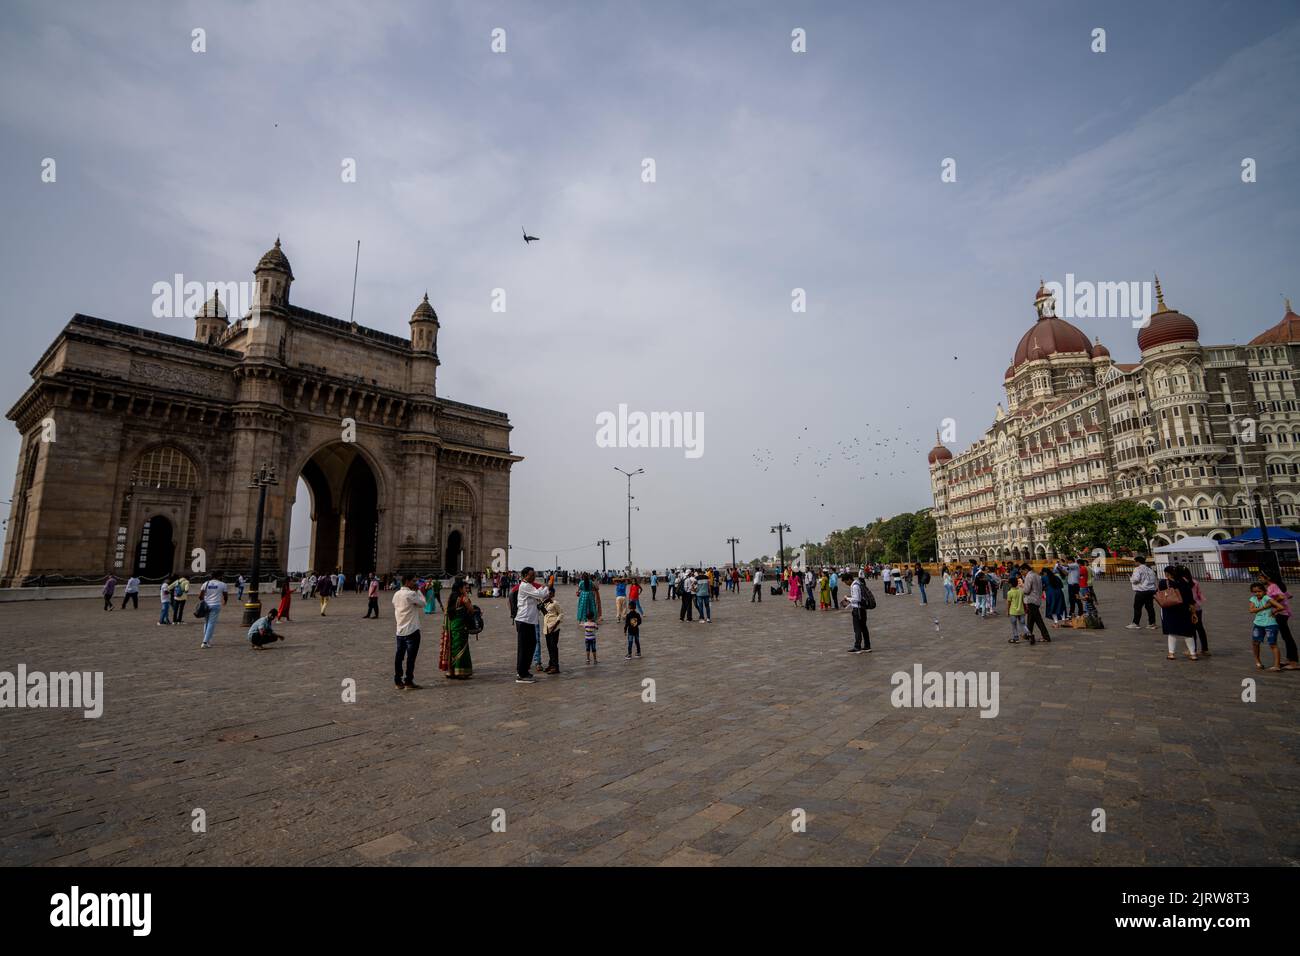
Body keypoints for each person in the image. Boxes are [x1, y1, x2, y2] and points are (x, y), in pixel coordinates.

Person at [513, 567, 551, 684]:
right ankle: (521, 673)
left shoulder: (529, 586)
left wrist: (545, 590)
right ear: (525, 576)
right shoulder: (525, 586)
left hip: (529, 620)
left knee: (532, 644)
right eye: (531, 575)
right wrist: (547, 586)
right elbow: (540, 594)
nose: (534, 577)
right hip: (523, 620)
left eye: (534, 575)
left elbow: (542, 596)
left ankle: (525, 670)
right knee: (524, 647)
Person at [1157, 565, 1197, 662]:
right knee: (1187, 633)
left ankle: (1171, 653)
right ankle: (1193, 654)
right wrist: (1193, 611)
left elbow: (1158, 594)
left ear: (1167, 573)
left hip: (1170, 609)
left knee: (1172, 632)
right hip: (1184, 609)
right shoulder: (1184, 582)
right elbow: (1190, 599)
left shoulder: (1163, 582)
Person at [392, 574, 425, 689]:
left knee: (399, 656)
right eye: (413, 581)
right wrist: (418, 591)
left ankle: (397, 681)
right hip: (412, 630)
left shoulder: (396, 594)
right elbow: (423, 603)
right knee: (411, 657)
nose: (415, 583)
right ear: (407, 581)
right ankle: (408, 681)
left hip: (400, 630)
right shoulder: (411, 594)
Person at [1261, 571, 1300, 669]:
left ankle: (1294, 662)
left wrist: (1272, 603)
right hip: (1283, 613)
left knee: (1287, 637)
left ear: (1268, 578)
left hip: (1280, 614)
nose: (1260, 579)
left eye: (1261, 577)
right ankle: (1290, 659)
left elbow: (1281, 596)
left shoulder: (1272, 586)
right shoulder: (1277, 586)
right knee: (1286, 636)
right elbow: (1288, 595)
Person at [439, 577, 474, 679]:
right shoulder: (463, 599)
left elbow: (446, 612)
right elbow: (471, 610)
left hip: (450, 626)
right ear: (460, 589)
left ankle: (451, 671)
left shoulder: (450, 599)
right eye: (464, 587)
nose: (466, 589)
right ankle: (461, 672)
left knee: (451, 647)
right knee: (461, 648)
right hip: (461, 626)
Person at [1249, 582, 1285, 672]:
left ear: (1264, 591)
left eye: (1259, 591)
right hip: (1258, 624)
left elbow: (1280, 607)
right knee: (1255, 643)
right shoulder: (1253, 599)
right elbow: (1251, 610)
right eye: (1255, 592)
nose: (1257, 593)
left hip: (1270, 624)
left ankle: (1277, 665)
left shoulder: (1267, 598)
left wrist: (1274, 612)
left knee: (1273, 644)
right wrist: (1264, 607)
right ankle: (1258, 661)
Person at [1020, 564, 1050, 644]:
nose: (1022, 573)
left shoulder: (1029, 576)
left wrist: (1020, 587)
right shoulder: (1036, 575)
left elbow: (1026, 590)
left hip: (1031, 600)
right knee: (1031, 619)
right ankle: (1027, 634)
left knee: (1038, 620)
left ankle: (1046, 636)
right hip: (1036, 599)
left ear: (1026, 569)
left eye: (1022, 571)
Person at [198, 571, 229, 648]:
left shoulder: (205, 583)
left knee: (206, 623)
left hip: (206, 605)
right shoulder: (222, 584)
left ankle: (207, 640)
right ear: (219, 576)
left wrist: (204, 600)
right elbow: (225, 595)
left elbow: (200, 596)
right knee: (211, 623)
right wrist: (225, 601)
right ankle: (205, 642)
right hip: (215, 605)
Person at [1127, 555, 1158, 629]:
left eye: (1135, 562)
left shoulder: (1137, 569)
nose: (1134, 563)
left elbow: (1136, 579)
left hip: (1142, 590)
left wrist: (1131, 578)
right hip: (1150, 590)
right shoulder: (1149, 569)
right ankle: (1152, 623)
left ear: (1138, 562)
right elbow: (1154, 578)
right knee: (1150, 607)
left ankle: (1136, 623)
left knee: (1137, 607)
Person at [847, 572, 871, 653]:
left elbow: (857, 599)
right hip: (862, 609)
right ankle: (867, 646)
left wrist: (848, 599)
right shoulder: (858, 583)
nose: (846, 583)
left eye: (846, 581)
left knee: (857, 628)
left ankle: (857, 646)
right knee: (864, 628)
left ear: (849, 579)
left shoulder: (855, 586)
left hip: (858, 610)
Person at [541, 591, 563, 674]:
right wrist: (542, 606)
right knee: (549, 647)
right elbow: (545, 615)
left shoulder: (555, 603)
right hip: (547, 628)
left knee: (553, 647)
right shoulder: (545, 604)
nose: (547, 596)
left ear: (552, 595)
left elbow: (561, 613)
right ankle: (551, 665)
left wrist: (556, 624)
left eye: (549, 594)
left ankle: (555, 666)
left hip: (554, 628)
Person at [1007, 576, 1026, 644]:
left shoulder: (1009, 592)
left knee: (1014, 625)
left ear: (1011, 584)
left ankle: (1016, 638)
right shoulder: (1021, 591)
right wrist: (1025, 609)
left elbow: (1009, 603)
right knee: (1023, 624)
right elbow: (1023, 601)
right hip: (1021, 610)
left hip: (1013, 611)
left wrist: (1008, 611)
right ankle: (1029, 634)